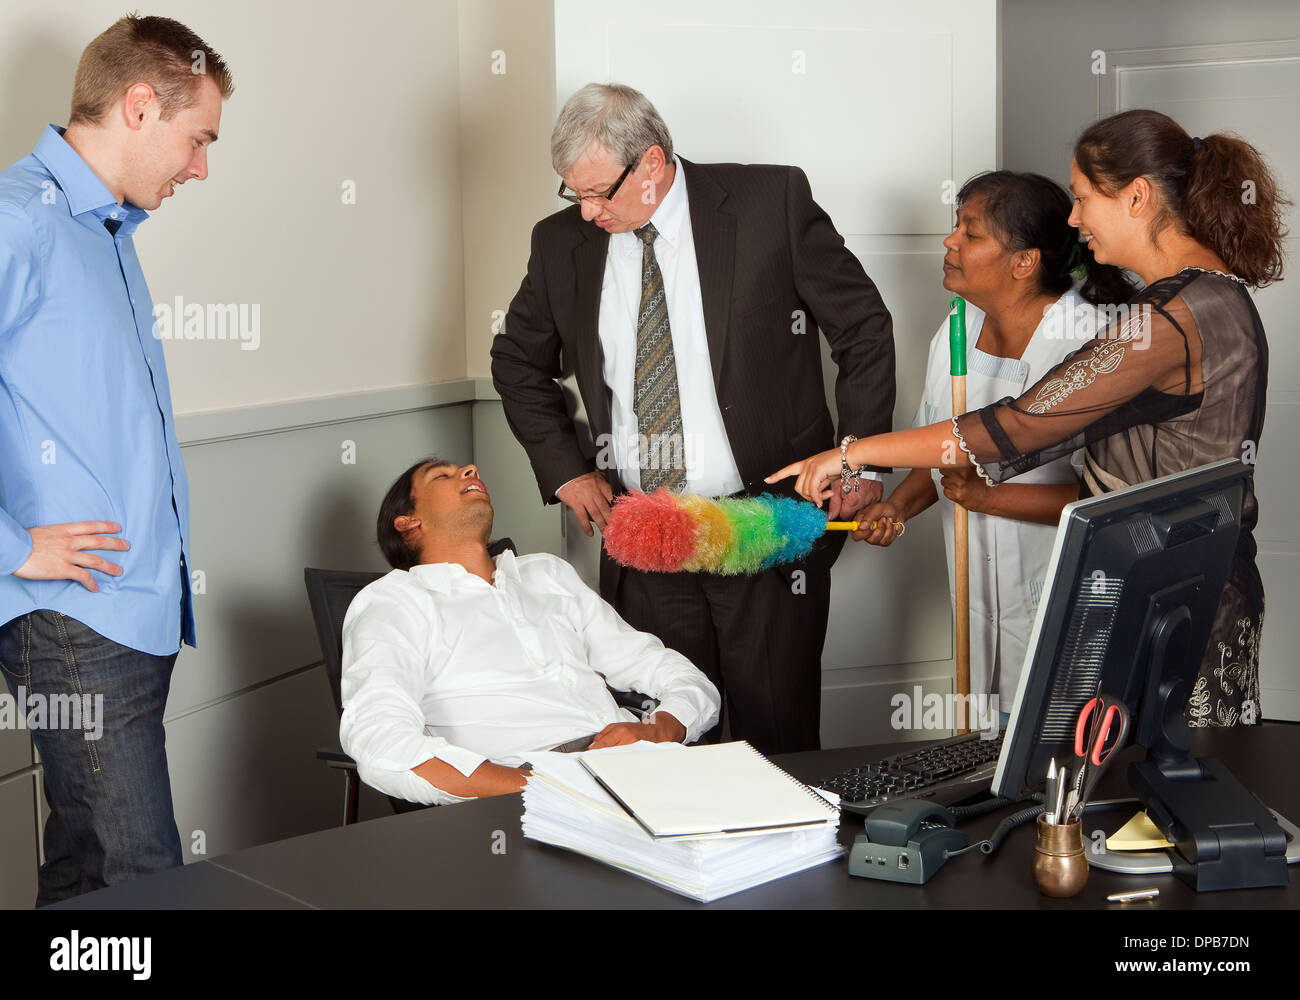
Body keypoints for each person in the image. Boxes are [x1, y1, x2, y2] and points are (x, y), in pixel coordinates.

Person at [771, 109, 1284, 728]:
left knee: (1164, 781)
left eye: (1083, 198)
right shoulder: (1198, 299)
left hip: (1176, 606)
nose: (1074, 219)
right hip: (1166, 591)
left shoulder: (1174, 317)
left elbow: (1019, 426)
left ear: (1137, 197)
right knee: (1128, 784)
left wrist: (851, 453)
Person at [491, 83, 895, 754]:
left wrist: (859, 459)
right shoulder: (560, 243)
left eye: (599, 193)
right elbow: (516, 361)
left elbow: (863, 329)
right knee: (665, 746)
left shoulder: (771, 202)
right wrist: (566, 470)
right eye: (573, 194)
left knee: (778, 742)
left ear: (651, 162)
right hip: (645, 537)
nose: (587, 212)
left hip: (767, 526)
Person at [0, 15, 233, 905]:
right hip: (74, 620)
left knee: (87, 869)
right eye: (198, 138)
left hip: (128, 612)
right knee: (145, 878)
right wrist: (15, 549)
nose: (200, 168)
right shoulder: (17, 221)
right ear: (140, 105)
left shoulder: (106, 230)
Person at [858, 171, 1134, 705]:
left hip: (1066, 603)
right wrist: (897, 507)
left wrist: (989, 497)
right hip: (977, 607)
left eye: (971, 232)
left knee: (1058, 734)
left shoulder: (1089, 343)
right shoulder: (956, 329)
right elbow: (938, 453)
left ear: (1024, 261)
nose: (950, 241)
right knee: (987, 738)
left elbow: (1107, 501)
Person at [339, 459, 721, 806]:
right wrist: (541, 788)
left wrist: (660, 729)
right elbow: (380, 740)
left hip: (637, 766)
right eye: (442, 475)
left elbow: (678, 675)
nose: (471, 470)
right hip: (527, 792)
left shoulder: (547, 574)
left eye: (467, 469)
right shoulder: (394, 602)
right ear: (407, 522)